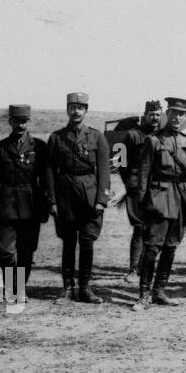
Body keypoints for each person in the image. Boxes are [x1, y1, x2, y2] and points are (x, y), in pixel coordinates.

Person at [45, 92, 112, 303]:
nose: (76, 111)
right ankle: (67, 289)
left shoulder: (96, 137)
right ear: (67, 110)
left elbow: (104, 171)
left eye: (80, 108)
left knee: (87, 243)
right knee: (67, 243)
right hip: (65, 198)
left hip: (89, 198)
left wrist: (102, 199)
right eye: (72, 107)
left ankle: (85, 288)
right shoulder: (56, 138)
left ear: (86, 111)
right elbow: (49, 172)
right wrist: (52, 201)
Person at [132, 97, 186, 310]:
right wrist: (141, 203)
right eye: (173, 113)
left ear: (185, 116)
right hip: (159, 198)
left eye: (181, 114)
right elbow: (144, 174)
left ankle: (159, 290)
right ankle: (144, 295)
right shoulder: (153, 141)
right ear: (166, 115)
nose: (177, 118)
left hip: (180, 200)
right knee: (152, 248)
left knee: (171, 248)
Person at [0, 104, 49, 308]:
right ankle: (10, 286)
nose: (20, 125)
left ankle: (20, 288)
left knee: (26, 251)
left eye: (23, 121)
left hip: (31, 206)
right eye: (16, 121)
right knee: (5, 251)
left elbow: (46, 178)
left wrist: (48, 203)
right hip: (5, 207)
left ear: (28, 122)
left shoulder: (40, 147)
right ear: (10, 121)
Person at [114, 101, 162, 283]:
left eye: (158, 114)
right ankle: (134, 269)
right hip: (136, 188)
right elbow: (120, 162)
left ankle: (147, 268)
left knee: (154, 229)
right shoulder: (132, 135)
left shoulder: (162, 135)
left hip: (156, 189)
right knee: (140, 228)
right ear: (145, 114)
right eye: (152, 114)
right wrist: (130, 182)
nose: (155, 118)